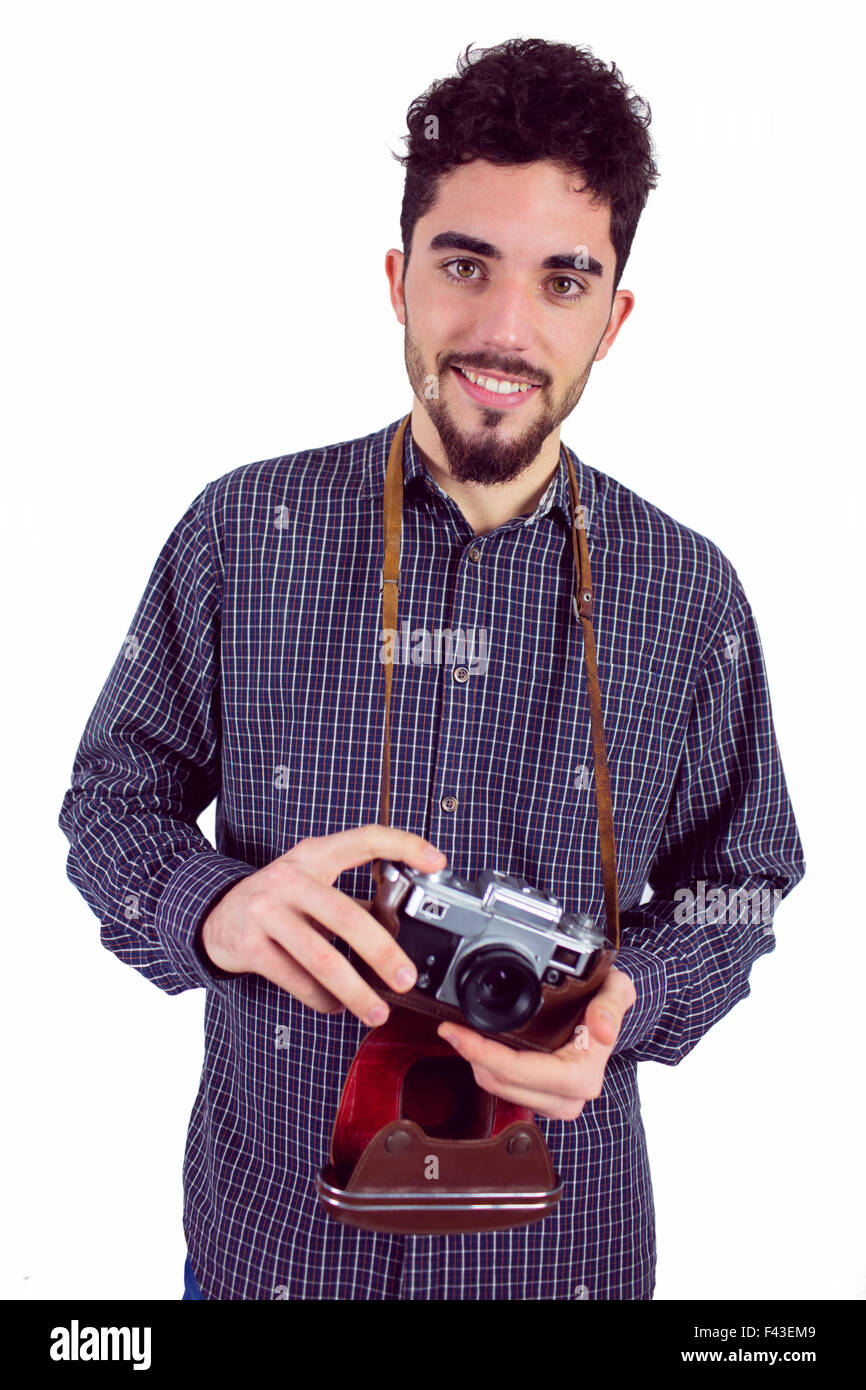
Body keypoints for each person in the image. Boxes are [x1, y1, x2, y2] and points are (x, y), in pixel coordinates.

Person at [59, 37, 805, 1301]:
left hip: (558, 1262)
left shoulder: (690, 593)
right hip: (270, 1255)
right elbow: (110, 804)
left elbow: (743, 877)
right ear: (400, 278)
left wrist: (632, 998)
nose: (505, 330)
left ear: (613, 315)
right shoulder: (241, 532)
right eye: (465, 265)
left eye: (562, 280)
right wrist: (210, 909)